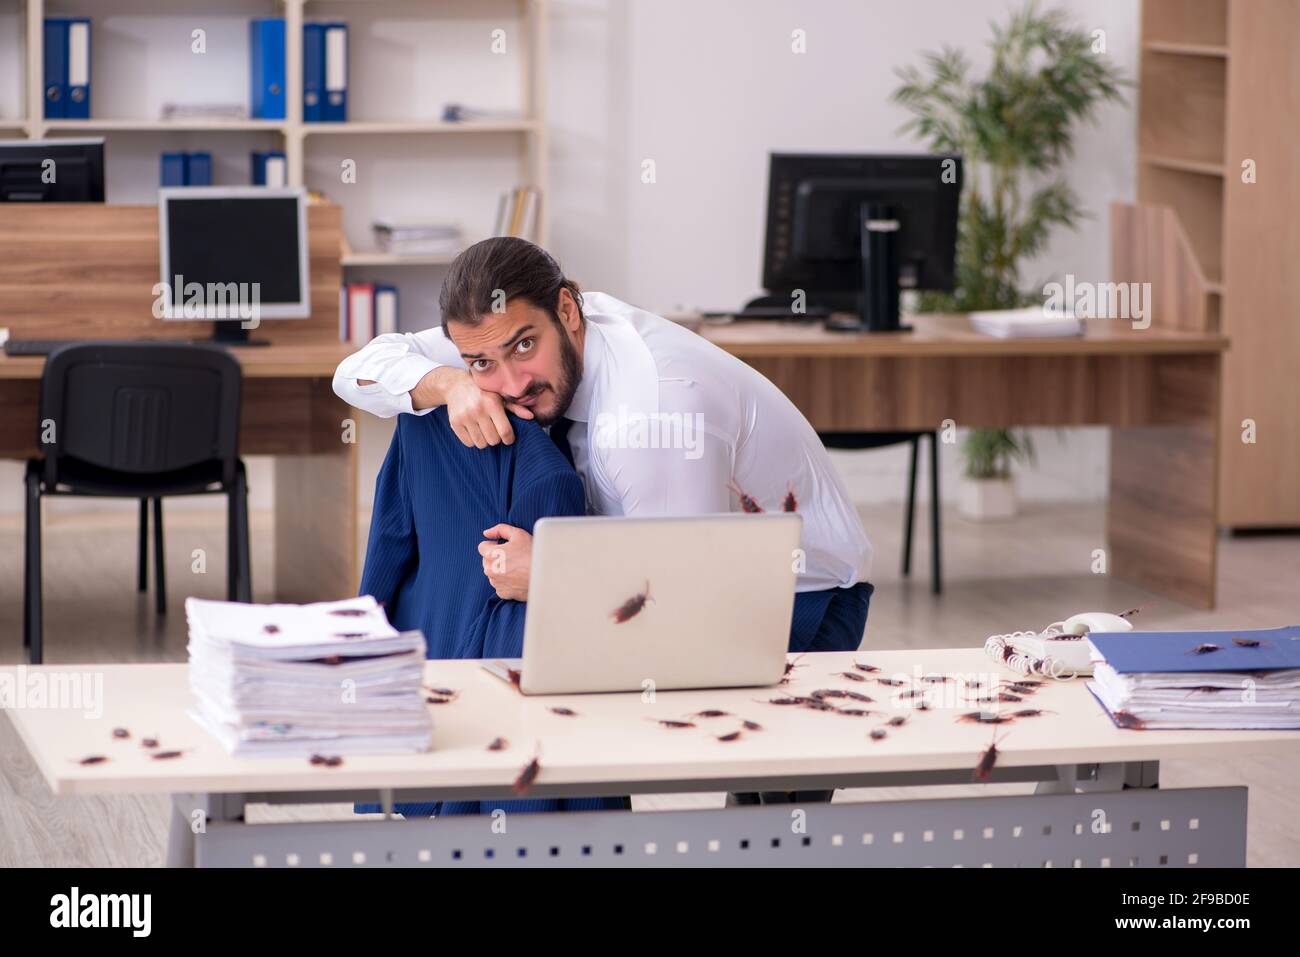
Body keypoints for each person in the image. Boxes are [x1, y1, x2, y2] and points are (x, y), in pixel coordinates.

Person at [335, 237, 875, 652]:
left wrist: (548, 573)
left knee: (761, 783)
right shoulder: (499, 336)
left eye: (525, 346)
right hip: (692, 575)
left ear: (568, 311)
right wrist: (449, 384)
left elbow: (677, 590)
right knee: (423, 407)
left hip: (796, 601)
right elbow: (356, 371)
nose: (513, 383)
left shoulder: (651, 416)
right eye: (482, 362)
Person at [358, 406, 626, 816]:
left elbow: (385, 552)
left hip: (435, 663)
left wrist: (369, 665)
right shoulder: (547, 468)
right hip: (506, 682)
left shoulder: (417, 419)